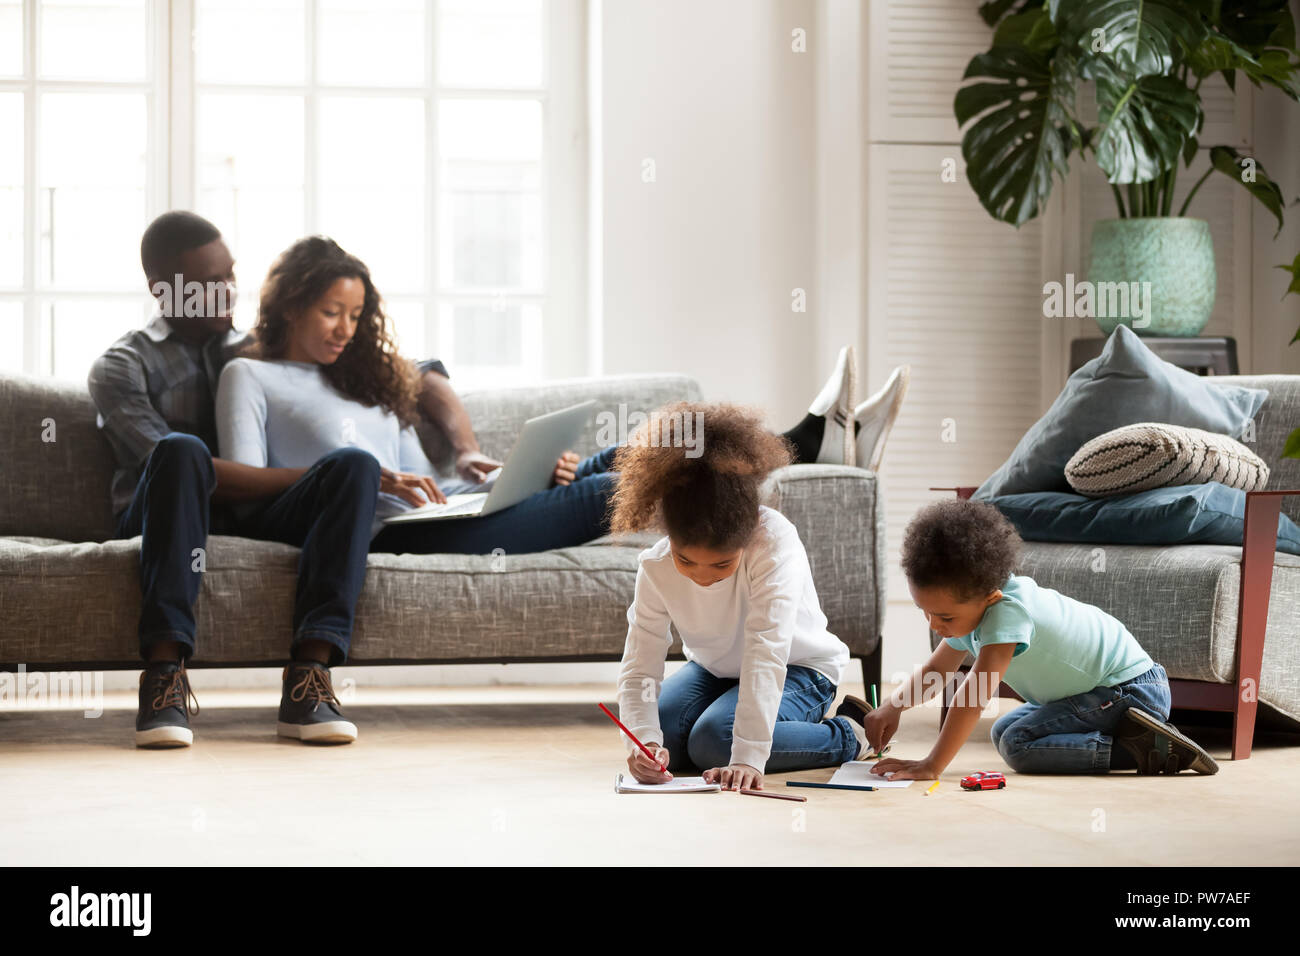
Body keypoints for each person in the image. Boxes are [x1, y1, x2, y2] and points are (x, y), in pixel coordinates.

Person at [88, 212, 469, 749]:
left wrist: (466, 447)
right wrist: (308, 474)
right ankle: (164, 678)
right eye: (209, 283)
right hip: (162, 513)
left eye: (230, 276)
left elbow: (419, 369)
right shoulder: (122, 367)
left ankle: (308, 683)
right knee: (180, 450)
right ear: (161, 288)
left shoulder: (247, 348)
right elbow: (171, 470)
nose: (228, 292)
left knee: (355, 463)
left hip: (257, 512)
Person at [215, 236, 617, 560]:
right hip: (384, 534)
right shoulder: (249, 375)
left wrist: (509, 475)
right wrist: (359, 480)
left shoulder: (363, 376)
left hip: (433, 515)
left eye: (355, 316)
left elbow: (431, 487)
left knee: (633, 452)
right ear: (291, 307)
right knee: (608, 490)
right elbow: (246, 494)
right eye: (332, 312)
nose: (345, 330)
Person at [854, 498, 1219, 778]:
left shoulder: (1008, 610)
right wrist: (892, 706)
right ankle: (1137, 743)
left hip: (1130, 691)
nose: (935, 624)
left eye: (945, 616)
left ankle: (1152, 748)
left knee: (1018, 744)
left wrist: (932, 764)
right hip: (1098, 693)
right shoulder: (976, 609)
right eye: (926, 612)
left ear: (990, 597)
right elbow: (937, 671)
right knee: (1004, 730)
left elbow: (974, 694)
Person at [610, 402, 867, 792]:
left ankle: (849, 734)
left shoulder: (774, 543)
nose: (702, 577)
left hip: (799, 668)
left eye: (721, 565)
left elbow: (767, 651)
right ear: (669, 538)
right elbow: (640, 667)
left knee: (716, 741)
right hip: (715, 670)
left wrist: (748, 757)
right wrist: (643, 741)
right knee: (667, 742)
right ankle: (728, 731)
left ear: (745, 539)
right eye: (686, 559)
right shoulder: (655, 565)